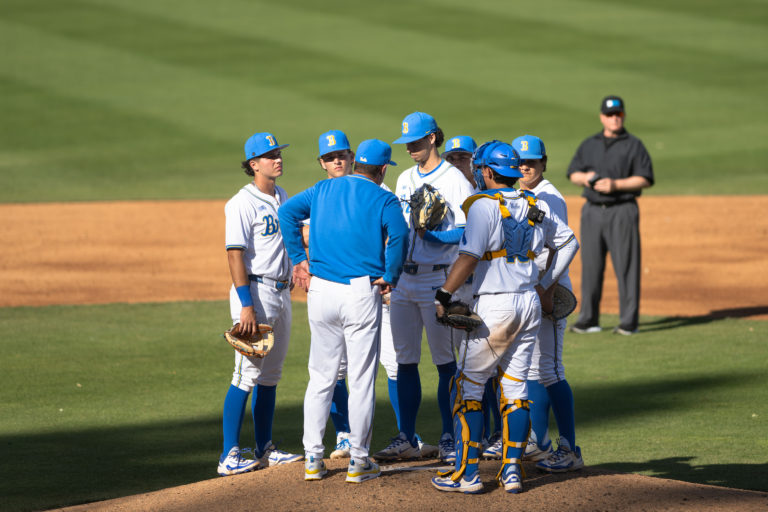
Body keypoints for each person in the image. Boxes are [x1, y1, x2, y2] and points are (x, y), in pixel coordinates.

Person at [430, 141, 578, 494]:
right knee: (515, 389)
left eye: (481, 168)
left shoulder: (482, 207)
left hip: (495, 307)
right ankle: (511, 472)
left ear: (488, 171)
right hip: (528, 303)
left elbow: (467, 257)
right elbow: (570, 241)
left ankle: (466, 475)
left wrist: (443, 295)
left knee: (467, 388)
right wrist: (544, 284)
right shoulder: (534, 204)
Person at [279, 139, 409, 483]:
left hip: (320, 292)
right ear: (382, 169)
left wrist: (299, 260)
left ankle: (313, 459)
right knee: (362, 379)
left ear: (355, 162)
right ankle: (359, 461)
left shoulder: (321, 190)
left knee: (321, 377)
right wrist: (390, 275)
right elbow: (399, 235)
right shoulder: (384, 197)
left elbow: (286, 213)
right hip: (360, 293)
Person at [373, 112, 474, 464]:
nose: (411, 148)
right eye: (407, 144)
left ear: (433, 138)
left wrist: (433, 235)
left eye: (416, 142)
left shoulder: (455, 180)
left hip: (438, 279)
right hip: (404, 280)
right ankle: (407, 437)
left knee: (446, 363)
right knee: (404, 362)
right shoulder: (403, 178)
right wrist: (390, 272)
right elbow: (397, 231)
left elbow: (467, 232)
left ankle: (449, 437)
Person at [217, 132, 303, 476]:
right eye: (270, 156)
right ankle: (229, 455)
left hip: (281, 292)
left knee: (271, 375)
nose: (277, 159)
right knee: (246, 375)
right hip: (255, 294)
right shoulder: (242, 203)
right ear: (254, 164)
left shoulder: (282, 196)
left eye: (278, 153)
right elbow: (235, 254)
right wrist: (245, 305)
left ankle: (264, 448)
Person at [513, 135, 584, 472]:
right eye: (521, 162)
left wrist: (544, 288)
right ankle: (538, 442)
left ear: (543, 163)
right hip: (530, 290)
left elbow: (562, 247)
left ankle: (569, 448)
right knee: (531, 370)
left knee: (551, 369)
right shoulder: (520, 195)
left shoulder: (548, 198)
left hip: (548, 291)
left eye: (532, 162)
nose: (526, 167)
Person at [567, 96, 654, 336]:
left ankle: (629, 321)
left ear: (623, 116)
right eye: (610, 114)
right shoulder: (590, 144)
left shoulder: (633, 145)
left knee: (627, 266)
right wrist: (586, 178)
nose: (614, 118)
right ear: (602, 117)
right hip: (592, 211)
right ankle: (588, 319)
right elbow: (573, 173)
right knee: (591, 266)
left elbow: (645, 178)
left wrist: (615, 185)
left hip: (622, 210)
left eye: (618, 114)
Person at [443, 134, 505, 460]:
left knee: (486, 370)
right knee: (467, 367)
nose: (457, 164)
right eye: (451, 158)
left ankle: (490, 435)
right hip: (467, 287)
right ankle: (474, 437)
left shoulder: (483, 199)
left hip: (483, 289)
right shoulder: (460, 192)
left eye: (462, 158)